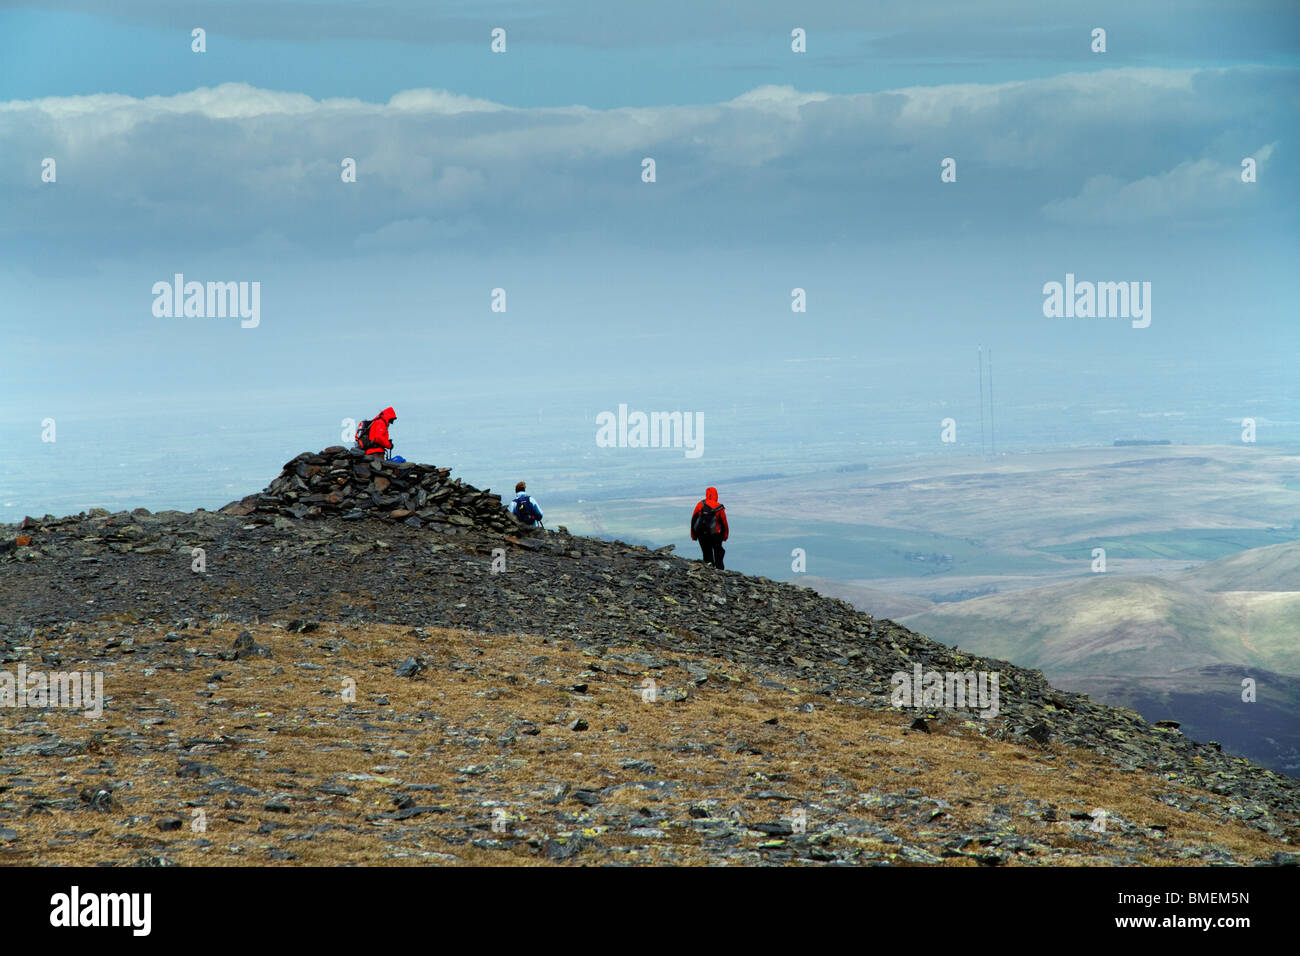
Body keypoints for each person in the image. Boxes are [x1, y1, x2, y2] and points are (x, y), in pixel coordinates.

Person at [690, 486, 728, 568]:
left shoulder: (700, 505)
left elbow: (693, 520)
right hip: (715, 535)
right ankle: (719, 570)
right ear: (716, 495)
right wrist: (725, 536)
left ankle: (709, 570)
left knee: (707, 554)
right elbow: (724, 523)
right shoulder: (719, 507)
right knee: (718, 552)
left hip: (701, 535)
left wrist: (693, 535)